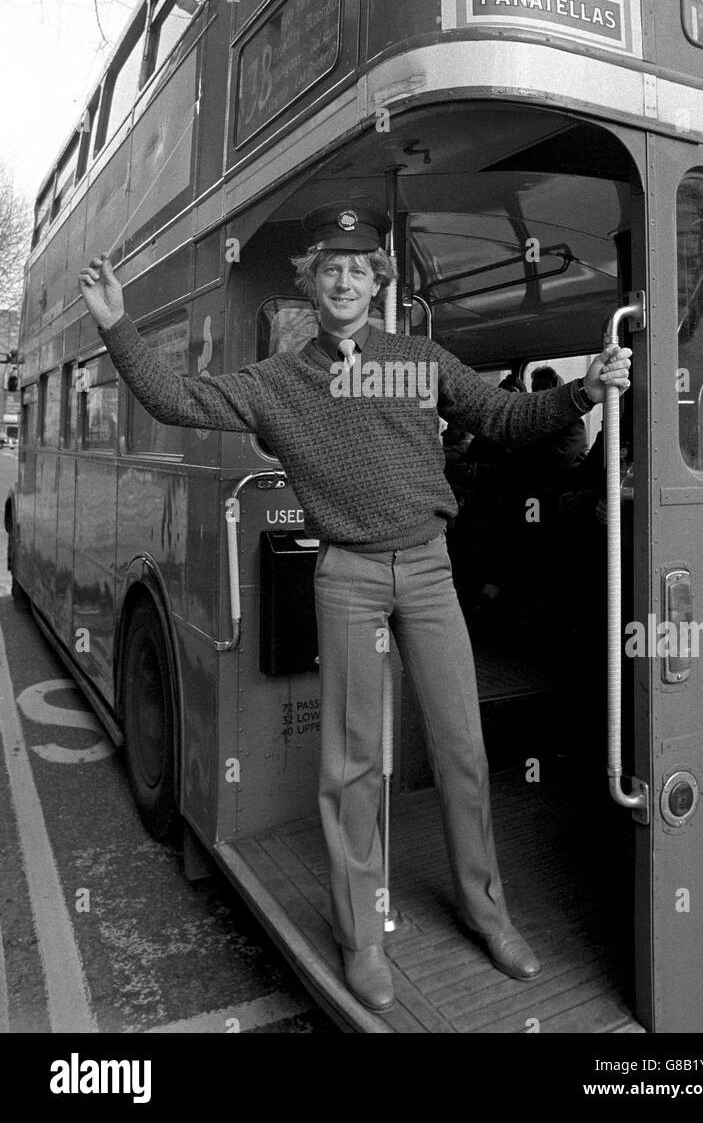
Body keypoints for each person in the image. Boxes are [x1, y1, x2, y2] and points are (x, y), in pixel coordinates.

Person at [78, 202, 631, 1014]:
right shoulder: (280, 382)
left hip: (432, 574)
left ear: (378, 281)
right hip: (348, 577)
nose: (344, 279)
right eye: (329, 268)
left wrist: (584, 389)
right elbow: (174, 398)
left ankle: (487, 913)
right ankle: (360, 935)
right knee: (350, 768)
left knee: (463, 752)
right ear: (313, 283)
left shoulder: (418, 358)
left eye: (359, 268)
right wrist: (118, 326)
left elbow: (506, 417)